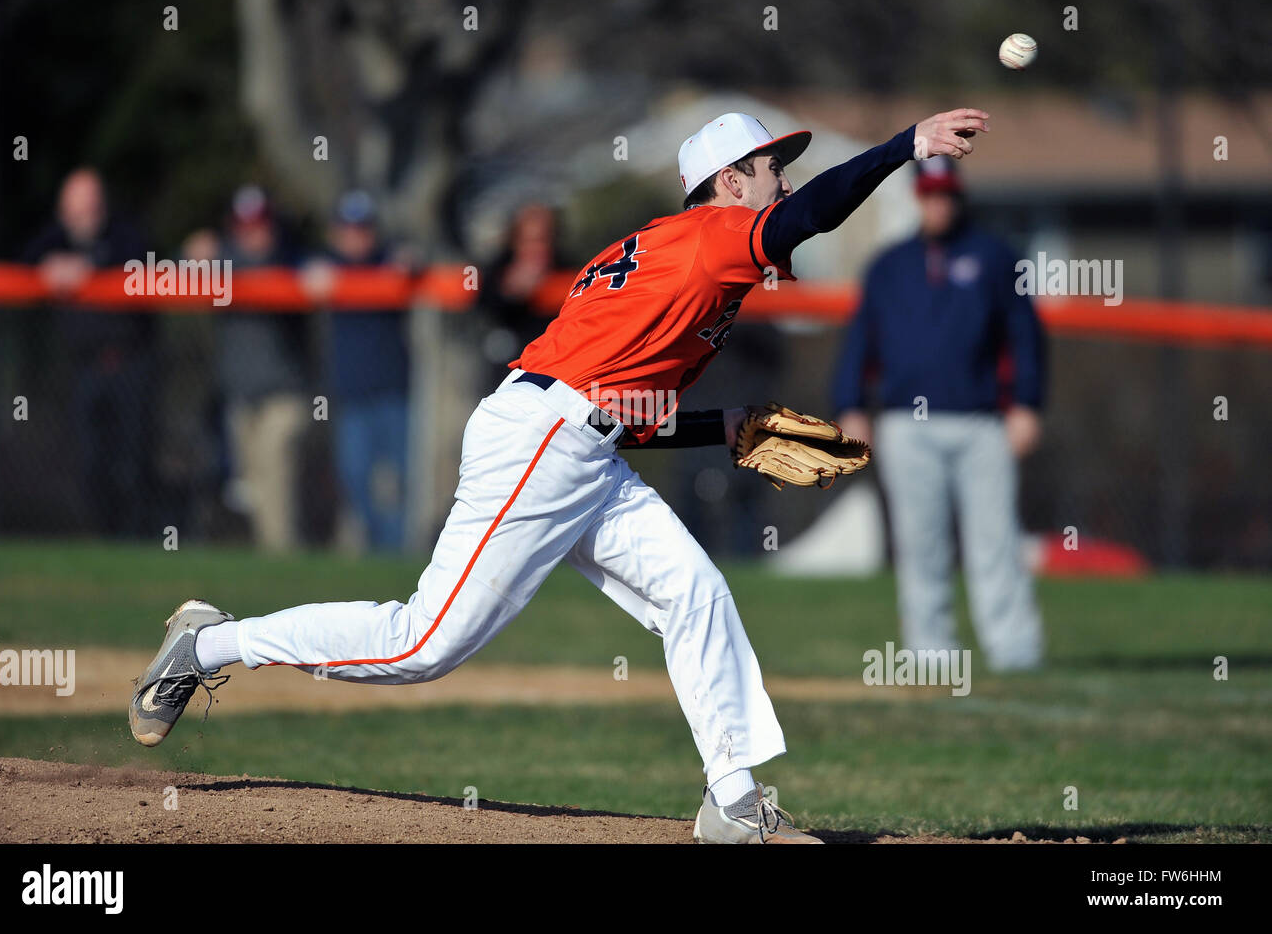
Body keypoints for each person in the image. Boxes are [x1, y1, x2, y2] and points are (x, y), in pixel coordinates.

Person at [129, 107, 991, 843]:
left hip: (571, 441)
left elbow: (613, 410)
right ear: (728, 183)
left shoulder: (675, 258)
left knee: (693, 590)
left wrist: (717, 427)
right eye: (772, 169)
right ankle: (207, 643)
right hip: (541, 442)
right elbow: (810, 219)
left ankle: (732, 800)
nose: (783, 185)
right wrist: (904, 145)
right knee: (421, 643)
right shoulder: (712, 240)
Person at [832, 156, 1046, 672]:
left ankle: (1013, 651)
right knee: (919, 542)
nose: (939, 203)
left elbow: (1025, 337)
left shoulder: (994, 257)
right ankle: (930, 652)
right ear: (917, 196)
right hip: (907, 425)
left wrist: (1027, 403)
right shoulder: (889, 266)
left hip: (981, 422)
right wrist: (850, 404)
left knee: (994, 541)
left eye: (946, 193)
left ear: (958, 194)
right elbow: (861, 341)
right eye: (930, 193)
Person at [22, 167, 157, 536]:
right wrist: (50, 265)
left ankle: (139, 537)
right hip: (84, 367)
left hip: (131, 362)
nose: (87, 216)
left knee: (133, 460)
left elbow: (141, 258)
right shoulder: (55, 240)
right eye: (78, 209)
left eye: (93, 207)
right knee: (90, 461)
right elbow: (25, 258)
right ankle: (105, 536)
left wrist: (91, 266)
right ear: (64, 212)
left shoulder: (123, 236)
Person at [207, 186, 311, 552]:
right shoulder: (220, 263)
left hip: (285, 394)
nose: (254, 232)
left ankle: (283, 556)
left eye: (260, 224)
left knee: (275, 467)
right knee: (249, 485)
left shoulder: (291, 258)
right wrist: (190, 254)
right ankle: (270, 558)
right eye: (245, 225)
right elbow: (172, 268)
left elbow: (318, 270)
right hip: (241, 395)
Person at [310, 190, 412, 552]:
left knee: (400, 479)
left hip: (394, 390)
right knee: (354, 477)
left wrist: (408, 265)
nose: (356, 236)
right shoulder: (323, 265)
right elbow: (289, 266)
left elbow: (417, 262)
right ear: (336, 232)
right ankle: (377, 546)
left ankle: (397, 554)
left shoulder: (391, 261)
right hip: (351, 394)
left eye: (363, 228)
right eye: (348, 228)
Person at [476, 203, 565, 392]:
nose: (536, 249)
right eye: (529, 241)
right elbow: (483, 309)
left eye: (542, 240)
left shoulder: (567, 270)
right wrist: (511, 293)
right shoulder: (498, 270)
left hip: (554, 377)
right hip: (506, 373)